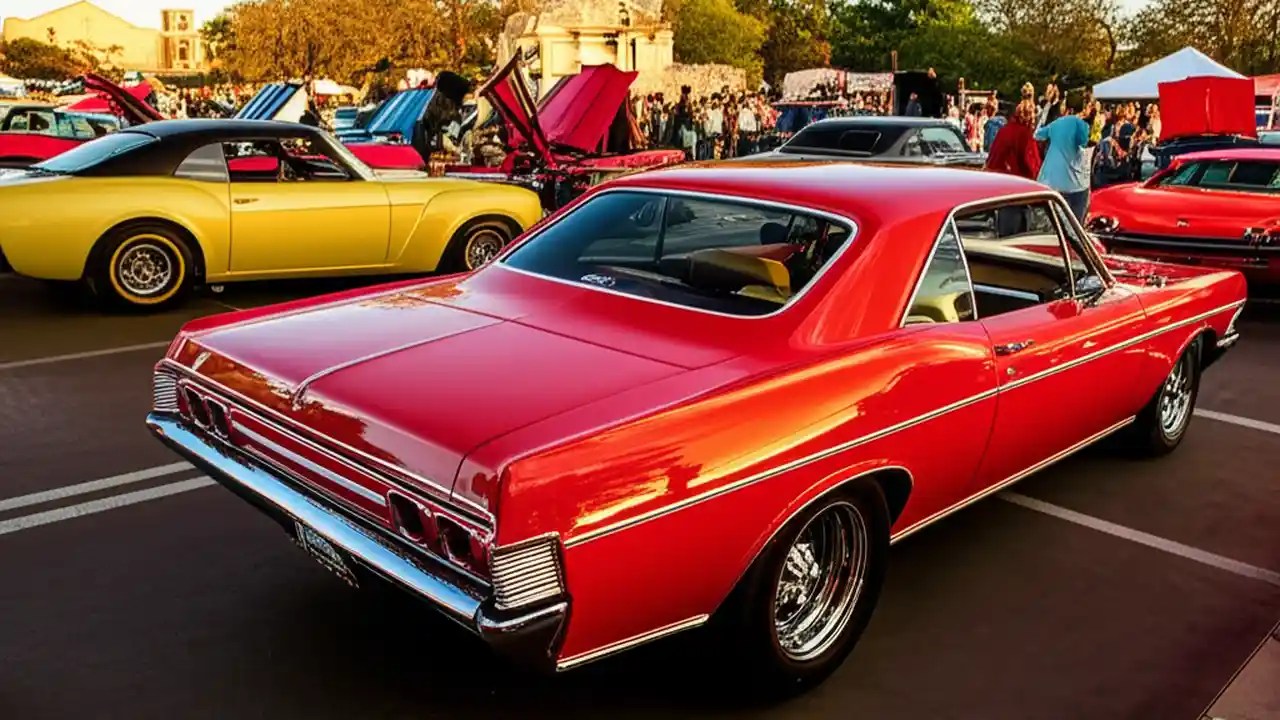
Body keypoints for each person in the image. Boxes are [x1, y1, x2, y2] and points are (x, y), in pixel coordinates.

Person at [1034, 94, 1094, 221]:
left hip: (1051, 182)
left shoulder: (1056, 123)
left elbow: (1037, 134)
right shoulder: (1083, 125)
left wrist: (1045, 111)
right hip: (1076, 185)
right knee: (1075, 224)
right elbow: (1083, 144)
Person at [985, 101, 1042, 180]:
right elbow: (1032, 161)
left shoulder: (1004, 129)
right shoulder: (1025, 134)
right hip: (1014, 178)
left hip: (995, 175)